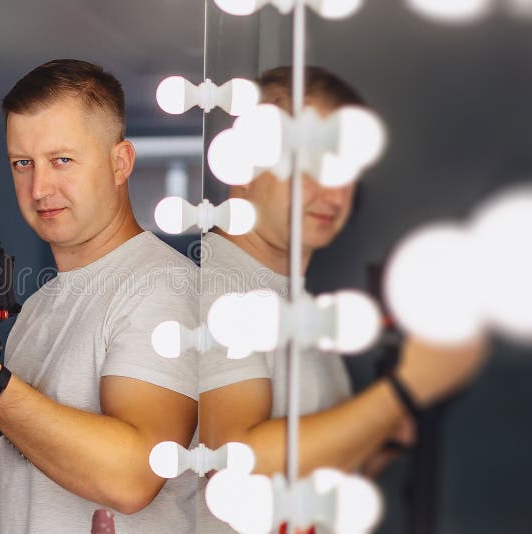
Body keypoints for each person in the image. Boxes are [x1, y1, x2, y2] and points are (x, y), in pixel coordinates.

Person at [0, 59, 199, 533]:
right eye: (23, 163)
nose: (39, 188)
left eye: (62, 160)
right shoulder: (40, 306)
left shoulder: (161, 288)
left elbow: (131, 476)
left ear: (120, 162)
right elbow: (31, 484)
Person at [198, 66, 487, 531]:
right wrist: (403, 390)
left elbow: (296, 485)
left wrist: (382, 439)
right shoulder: (215, 288)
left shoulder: (297, 310)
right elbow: (237, 467)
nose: (332, 190)